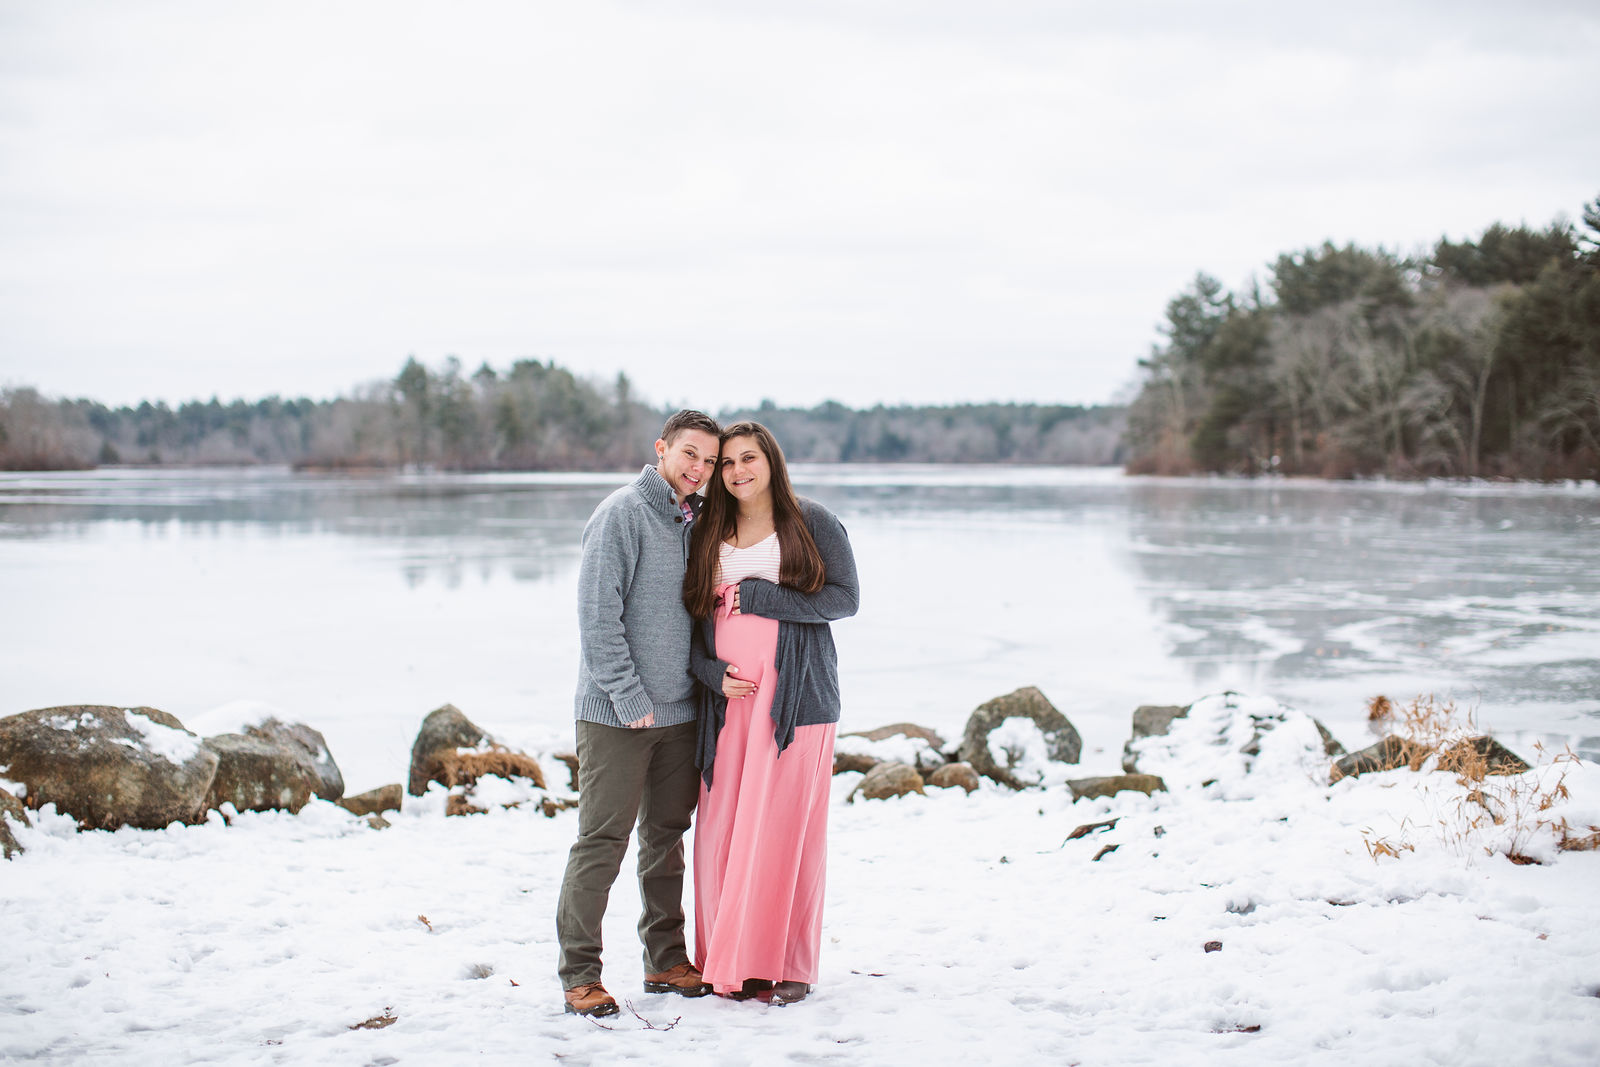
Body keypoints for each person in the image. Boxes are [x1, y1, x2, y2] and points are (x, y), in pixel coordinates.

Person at [682, 421, 859, 1006]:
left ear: (772, 462)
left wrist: (765, 597)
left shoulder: (811, 520)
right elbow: (692, 620)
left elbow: (844, 598)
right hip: (729, 706)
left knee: (787, 833)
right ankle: (732, 960)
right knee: (722, 833)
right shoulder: (709, 525)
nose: (737, 472)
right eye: (727, 462)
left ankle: (790, 965)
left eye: (748, 458)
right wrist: (711, 675)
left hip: (796, 701)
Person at [555, 409, 722, 1018]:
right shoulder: (621, 514)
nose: (699, 469)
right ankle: (579, 974)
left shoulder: (699, 522)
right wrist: (628, 698)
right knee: (602, 842)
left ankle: (664, 960)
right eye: (690, 455)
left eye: (709, 461)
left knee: (665, 841)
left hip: (679, 714)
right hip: (615, 714)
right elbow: (597, 618)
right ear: (662, 449)